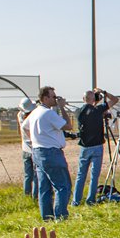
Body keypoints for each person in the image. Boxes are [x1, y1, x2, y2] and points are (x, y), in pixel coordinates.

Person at [26, 86, 74, 221]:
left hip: (37, 151)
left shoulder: (35, 112)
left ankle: (47, 217)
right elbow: (68, 126)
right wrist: (62, 107)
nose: (55, 98)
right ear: (45, 98)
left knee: (44, 187)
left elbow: (24, 126)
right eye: (53, 96)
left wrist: (33, 140)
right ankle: (61, 216)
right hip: (51, 152)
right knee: (62, 185)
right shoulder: (49, 113)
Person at [73, 87, 120, 206]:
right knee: (94, 175)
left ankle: (76, 200)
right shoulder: (98, 109)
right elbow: (115, 100)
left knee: (81, 174)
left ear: (83, 99)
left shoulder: (78, 112)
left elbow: (88, 110)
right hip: (97, 145)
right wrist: (104, 93)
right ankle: (90, 199)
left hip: (84, 146)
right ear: (93, 99)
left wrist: (94, 101)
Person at [17, 96, 37, 200]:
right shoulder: (32, 117)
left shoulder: (20, 115)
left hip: (25, 149)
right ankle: (35, 196)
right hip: (33, 149)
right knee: (35, 175)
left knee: (28, 175)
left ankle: (27, 195)